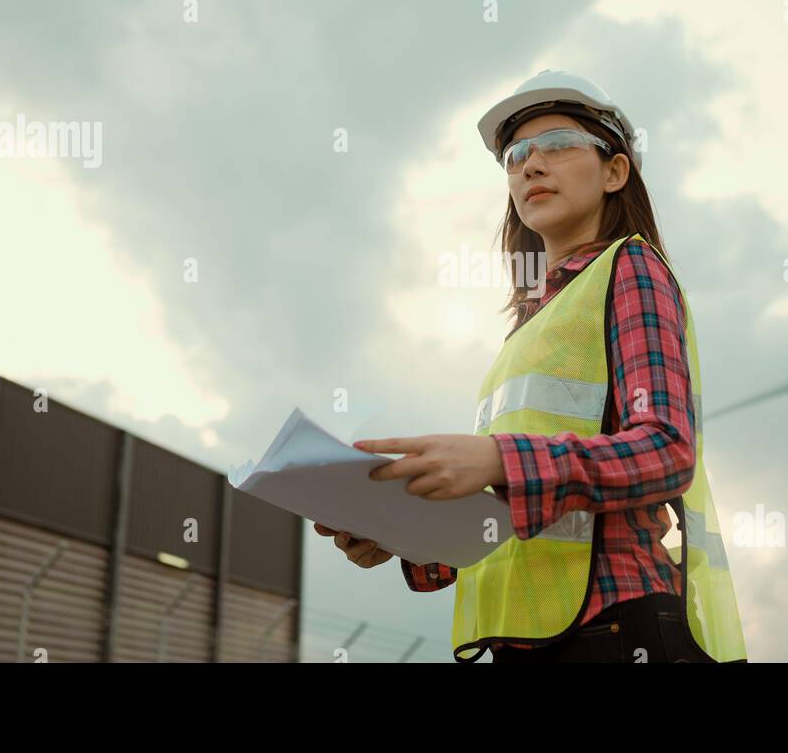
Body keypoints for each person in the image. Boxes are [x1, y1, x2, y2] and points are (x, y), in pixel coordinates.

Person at [315, 70, 747, 664]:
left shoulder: (631, 269)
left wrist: (496, 459)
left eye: (560, 145)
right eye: (517, 155)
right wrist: (405, 534)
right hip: (525, 637)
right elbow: (515, 514)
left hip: (615, 629)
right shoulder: (527, 327)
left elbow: (667, 449)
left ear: (615, 172)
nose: (530, 165)